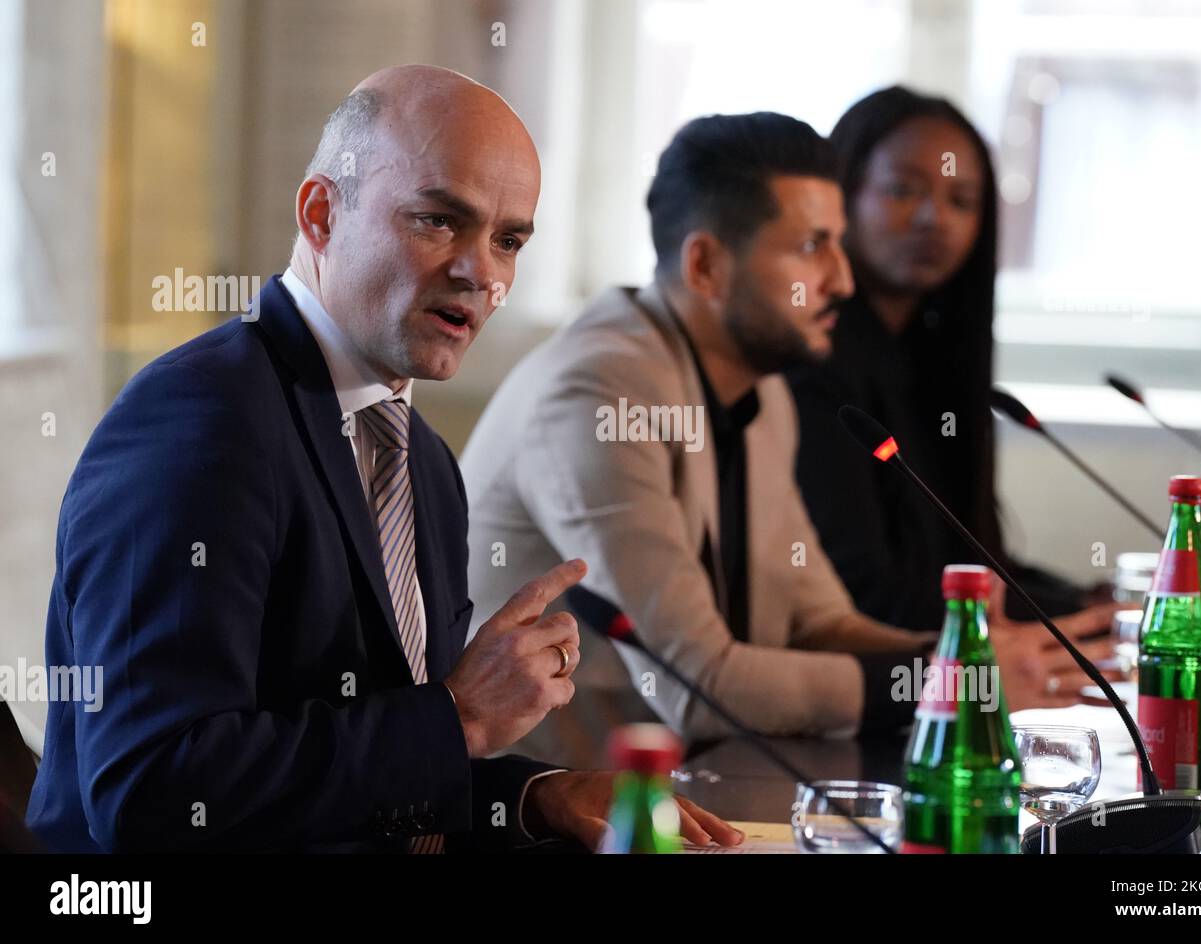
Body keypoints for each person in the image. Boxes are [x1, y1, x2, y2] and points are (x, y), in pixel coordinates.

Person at [25, 65, 740, 853]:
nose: (484, 274)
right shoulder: (199, 421)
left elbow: (383, 763)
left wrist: (536, 794)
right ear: (322, 213)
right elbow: (150, 791)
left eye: (508, 240)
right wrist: (460, 716)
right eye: (439, 221)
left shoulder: (425, 463)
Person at [461, 112, 1112, 761]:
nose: (843, 279)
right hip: (544, 812)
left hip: (701, 786)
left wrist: (958, 654)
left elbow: (816, 621)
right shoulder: (600, 393)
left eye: (838, 243)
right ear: (707, 266)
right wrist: (946, 683)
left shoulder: (762, 389)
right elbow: (700, 686)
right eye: (811, 247)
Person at [787, 85, 1104, 635]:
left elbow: (967, 567)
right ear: (842, 196)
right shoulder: (813, 360)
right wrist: (1081, 619)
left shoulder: (930, 359)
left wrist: (1086, 602)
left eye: (962, 200)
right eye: (904, 189)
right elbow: (865, 593)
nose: (935, 217)